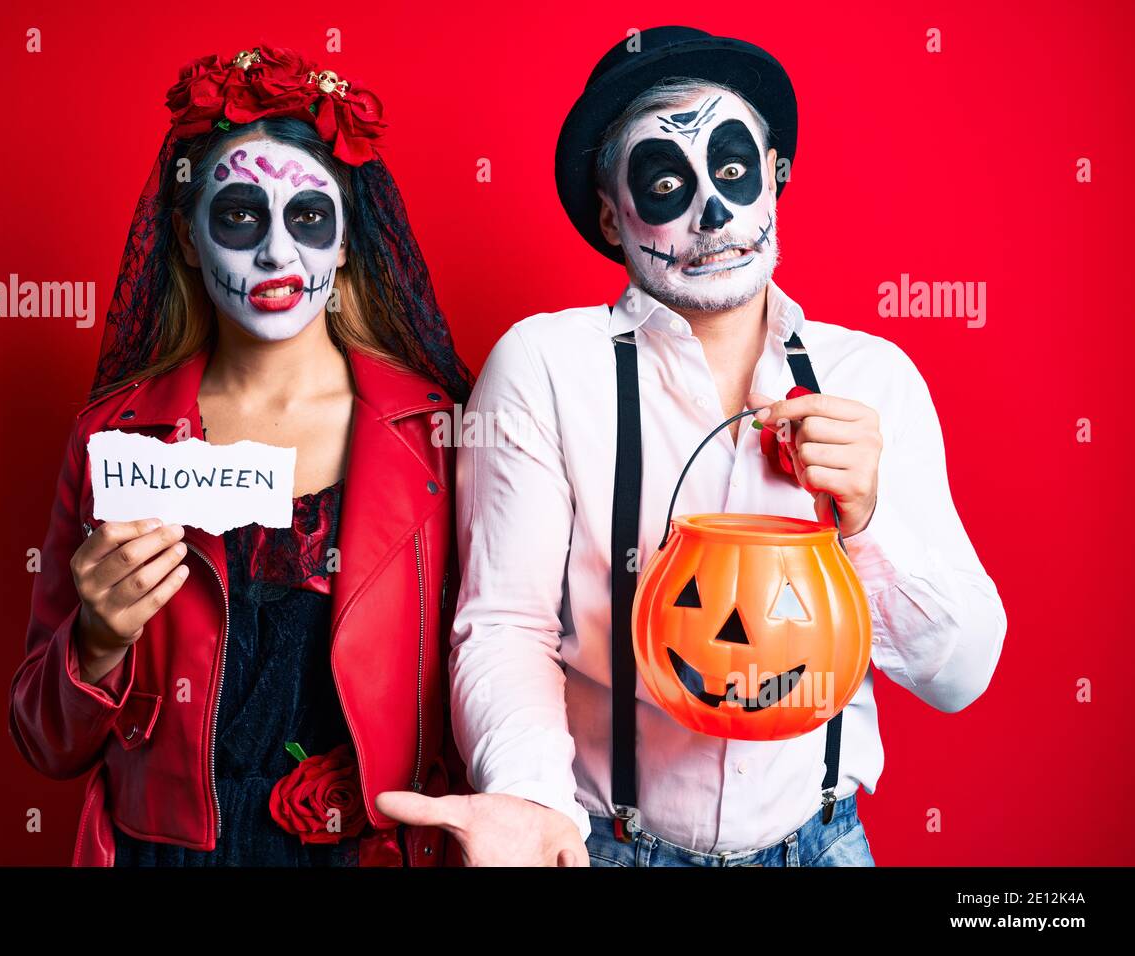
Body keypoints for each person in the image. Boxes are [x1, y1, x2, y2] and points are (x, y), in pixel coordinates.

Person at [377, 25, 1006, 866]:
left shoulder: (873, 378)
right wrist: (529, 799)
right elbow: (504, 625)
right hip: (606, 845)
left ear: (776, 179)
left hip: (821, 845)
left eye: (735, 171)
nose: (713, 214)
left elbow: (961, 675)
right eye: (666, 181)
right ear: (612, 215)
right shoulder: (545, 366)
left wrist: (869, 516)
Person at [8, 42, 472, 867]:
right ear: (187, 241)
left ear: (346, 246)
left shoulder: (440, 436)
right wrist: (98, 642)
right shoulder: (113, 439)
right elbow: (48, 743)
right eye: (239, 216)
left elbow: (502, 667)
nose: (275, 254)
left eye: (308, 219)